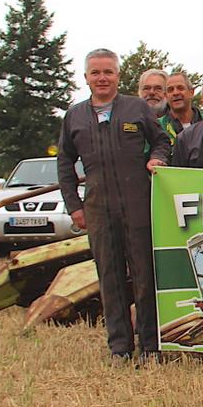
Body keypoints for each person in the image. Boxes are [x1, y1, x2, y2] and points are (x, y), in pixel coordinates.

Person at [57, 48, 170, 361]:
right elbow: (65, 162)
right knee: (110, 277)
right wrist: (74, 206)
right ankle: (120, 347)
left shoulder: (136, 108)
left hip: (138, 203)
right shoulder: (75, 116)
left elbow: (162, 140)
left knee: (145, 277)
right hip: (97, 207)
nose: (102, 78)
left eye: (108, 72)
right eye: (96, 72)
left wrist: (157, 158)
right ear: (86, 78)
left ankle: (150, 345)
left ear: (118, 76)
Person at [157, 71, 203, 145]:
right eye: (170, 90)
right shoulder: (157, 126)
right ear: (165, 96)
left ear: (191, 92)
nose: (175, 93)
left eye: (180, 88)